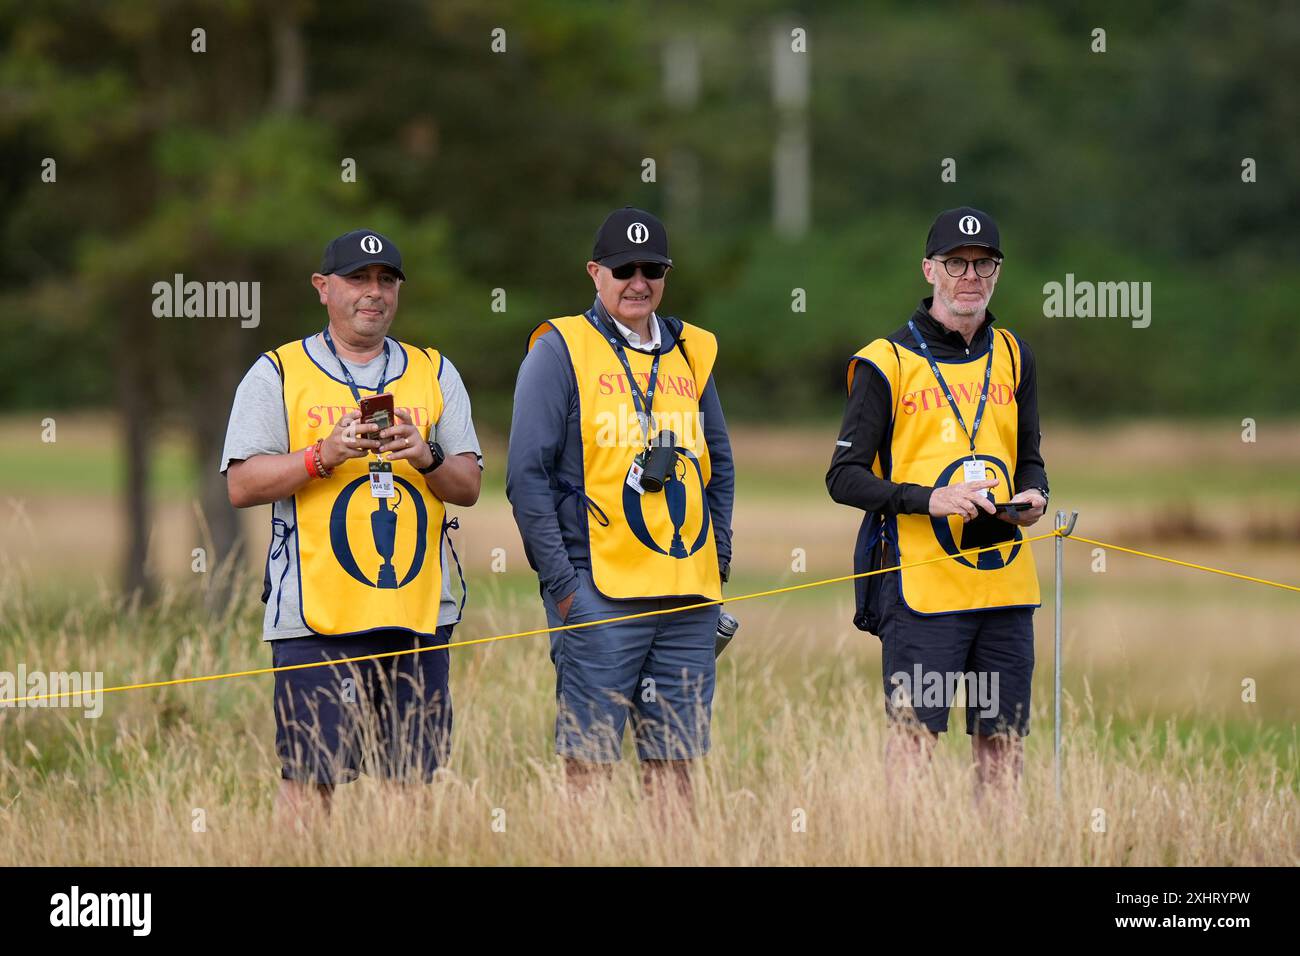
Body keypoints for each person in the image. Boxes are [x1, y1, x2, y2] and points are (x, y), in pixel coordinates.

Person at [220, 229, 483, 823]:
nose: (374, 293)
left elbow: (468, 486)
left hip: (415, 610)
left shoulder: (434, 370)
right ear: (323, 288)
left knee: (411, 785)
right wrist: (322, 455)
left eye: (386, 280)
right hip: (316, 614)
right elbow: (241, 484)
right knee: (311, 782)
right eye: (358, 279)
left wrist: (427, 455)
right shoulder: (277, 372)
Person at [506, 207, 734, 807]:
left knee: (677, 765)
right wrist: (563, 587)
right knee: (589, 764)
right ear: (595, 273)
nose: (638, 282)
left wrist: (720, 561)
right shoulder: (559, 349)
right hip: (598, 593)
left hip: (688, 594)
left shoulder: (692, 350)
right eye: (623, 268)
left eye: (652, 268)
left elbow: (721, 465)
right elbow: (525, 476)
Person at [826, 207, 1049, 800]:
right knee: (914, 739)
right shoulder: (885, 361)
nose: (970, 276)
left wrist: (1036, 495)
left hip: (1004, 585)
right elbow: (843, 478)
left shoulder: (1015, 354)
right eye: (956, 263)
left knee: (1002, 741)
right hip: (923, 593)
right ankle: (908, 852)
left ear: (997, 273)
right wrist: (931, 500)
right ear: (930, 269)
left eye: (984, 264)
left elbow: (1030, 456)